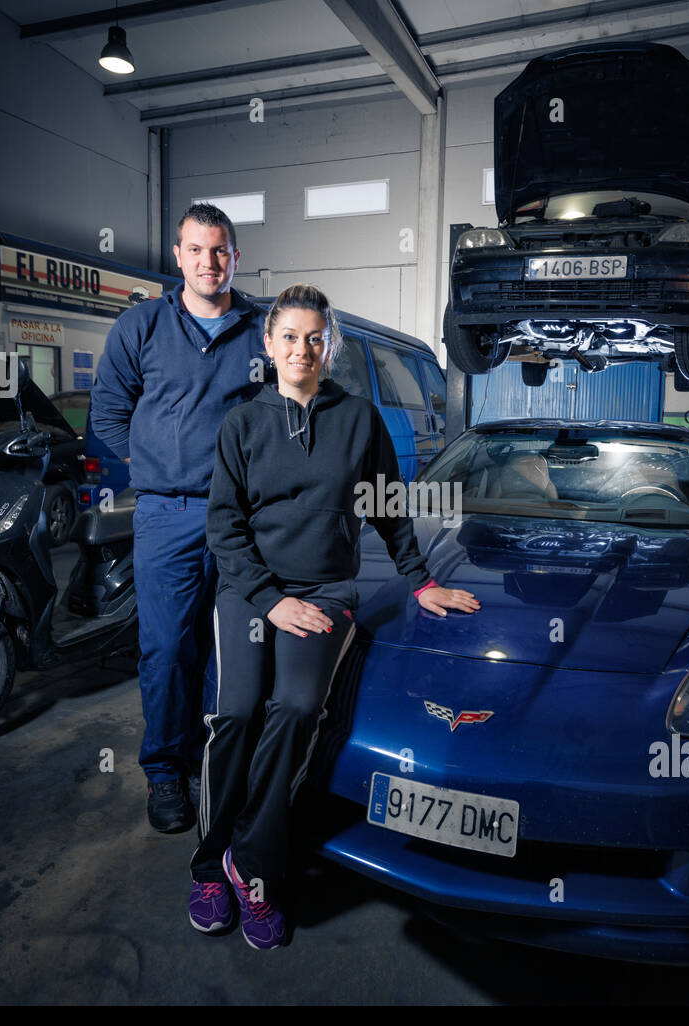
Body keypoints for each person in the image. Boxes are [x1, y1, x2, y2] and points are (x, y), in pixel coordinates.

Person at [189, 283, 480, 948]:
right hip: (251, 589)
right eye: (289, 336)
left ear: (330, 346)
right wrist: (270, 600)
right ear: (268, 345)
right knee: (235, 713)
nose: (302, 348)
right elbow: (224, 528)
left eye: (314, 337)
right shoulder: (242, 423)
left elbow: (387, 507)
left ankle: (251, 868)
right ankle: (209, 866)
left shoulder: (359, 419)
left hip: (323, 590)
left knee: (295, 710)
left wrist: (421, 581)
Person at [89, 203, 267, 833]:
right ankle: (167, 773)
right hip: (166, 516)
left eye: (219, 250)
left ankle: (221, 764)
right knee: (166, 649)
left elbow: (289, 409)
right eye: (195, 250)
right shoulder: (140, 325)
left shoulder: (261, 329)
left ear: (235, 257)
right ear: (178, 256)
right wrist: (155, 465)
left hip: (242, 519)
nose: (208, 262)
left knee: (233, 652)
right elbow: (107, 413)